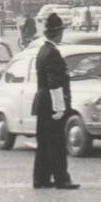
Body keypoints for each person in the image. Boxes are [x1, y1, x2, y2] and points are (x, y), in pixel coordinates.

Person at [32, 13, 78, 189]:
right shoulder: (53, 53)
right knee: (57, 143)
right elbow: (55, 83)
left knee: (43, 143)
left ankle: (40, 178)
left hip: (42, 102)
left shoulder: (42, 51)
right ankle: (62, 179)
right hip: (52, 103)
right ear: (58, 33)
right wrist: (59, 108)